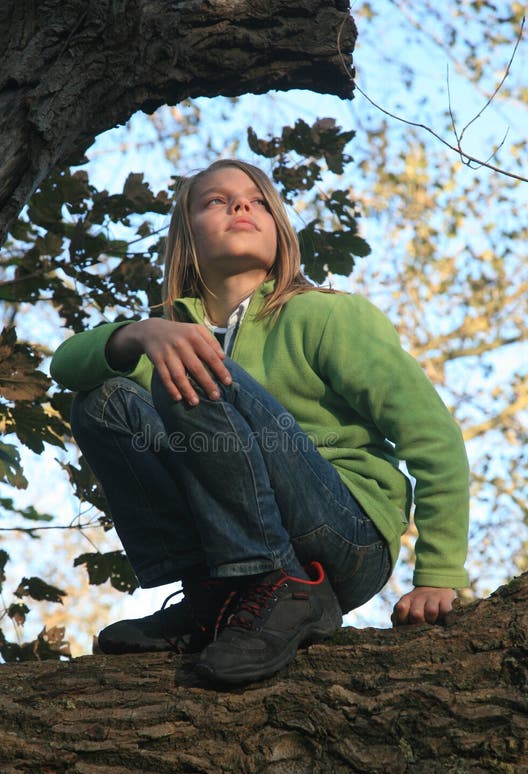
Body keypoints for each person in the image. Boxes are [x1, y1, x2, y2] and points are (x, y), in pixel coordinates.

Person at [50, 158, 470, 685]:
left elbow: (433, 436)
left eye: (256, 200)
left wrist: (439, 574)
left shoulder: (328, 316)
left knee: (198, 369)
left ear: (278, 230)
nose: (241, 205)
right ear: (187, 235)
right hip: (221, 550)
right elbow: (65, 366)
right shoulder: (165, 340)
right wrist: (142, 332)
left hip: (341, 530)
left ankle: (285, 586)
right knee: (102, 401)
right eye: (216, 201)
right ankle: (211, 598)